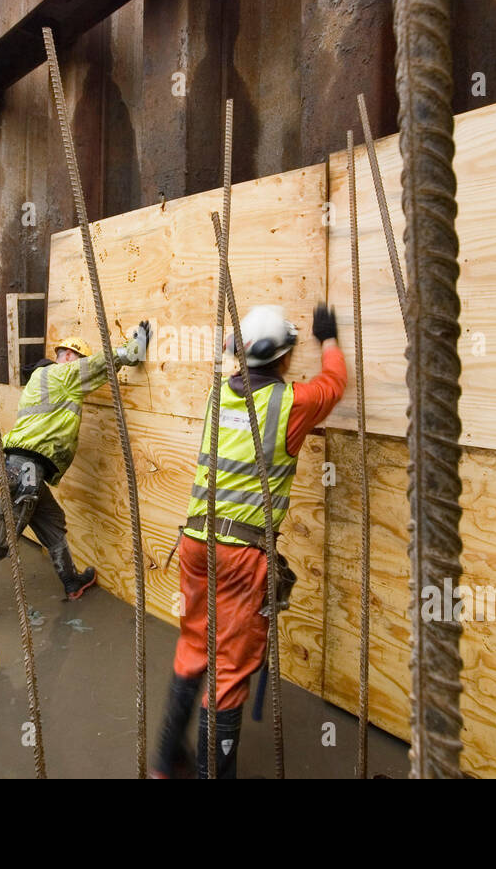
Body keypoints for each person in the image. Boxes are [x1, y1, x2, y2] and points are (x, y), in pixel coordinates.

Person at [151, 303, 346, 778]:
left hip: (196, 541)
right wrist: (330, 338)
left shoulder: (219, 396)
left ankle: (163, 761)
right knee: (230, 673)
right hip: (241, 554)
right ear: (284, 357)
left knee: (194, 647)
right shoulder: (291, 404)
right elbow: (336, 383)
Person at [0, 325, 151, 622]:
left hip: (27, 470)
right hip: (26, 470)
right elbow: (99, 364)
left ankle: (71, 581)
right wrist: (132, 349)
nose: (79, 365)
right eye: (77, 359)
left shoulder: (42, 380)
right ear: (68, 356)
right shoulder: (61, 375)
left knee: (53, 523)